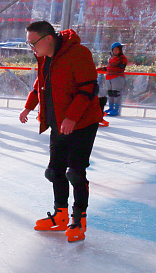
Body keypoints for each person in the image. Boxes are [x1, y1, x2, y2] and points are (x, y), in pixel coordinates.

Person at [19, 20, 103, 243]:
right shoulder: (46, 57)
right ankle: (60, 215)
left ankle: (79, 219)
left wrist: (72, 117)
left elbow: (89, 87)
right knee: (54, 172)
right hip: (58, 122)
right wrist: (30, 106)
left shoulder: (78, 53)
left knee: (75, 172)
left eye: (33, 43)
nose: (31, 48)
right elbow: (41, 84)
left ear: (47, 39)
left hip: (82, 123)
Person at [101, 41, 128, 118]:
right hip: (109, 77)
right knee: (110, 93)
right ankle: (111, 107)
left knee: (116, 93)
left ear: (120, 50)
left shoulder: (122, 58)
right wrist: (104, 68)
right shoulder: (111, 58)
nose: (115, 51)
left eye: (117, 49)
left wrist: (115, 60)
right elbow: (110, 67)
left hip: (117, 77)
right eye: (114, 50)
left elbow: (122, 66)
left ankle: (116, 109)